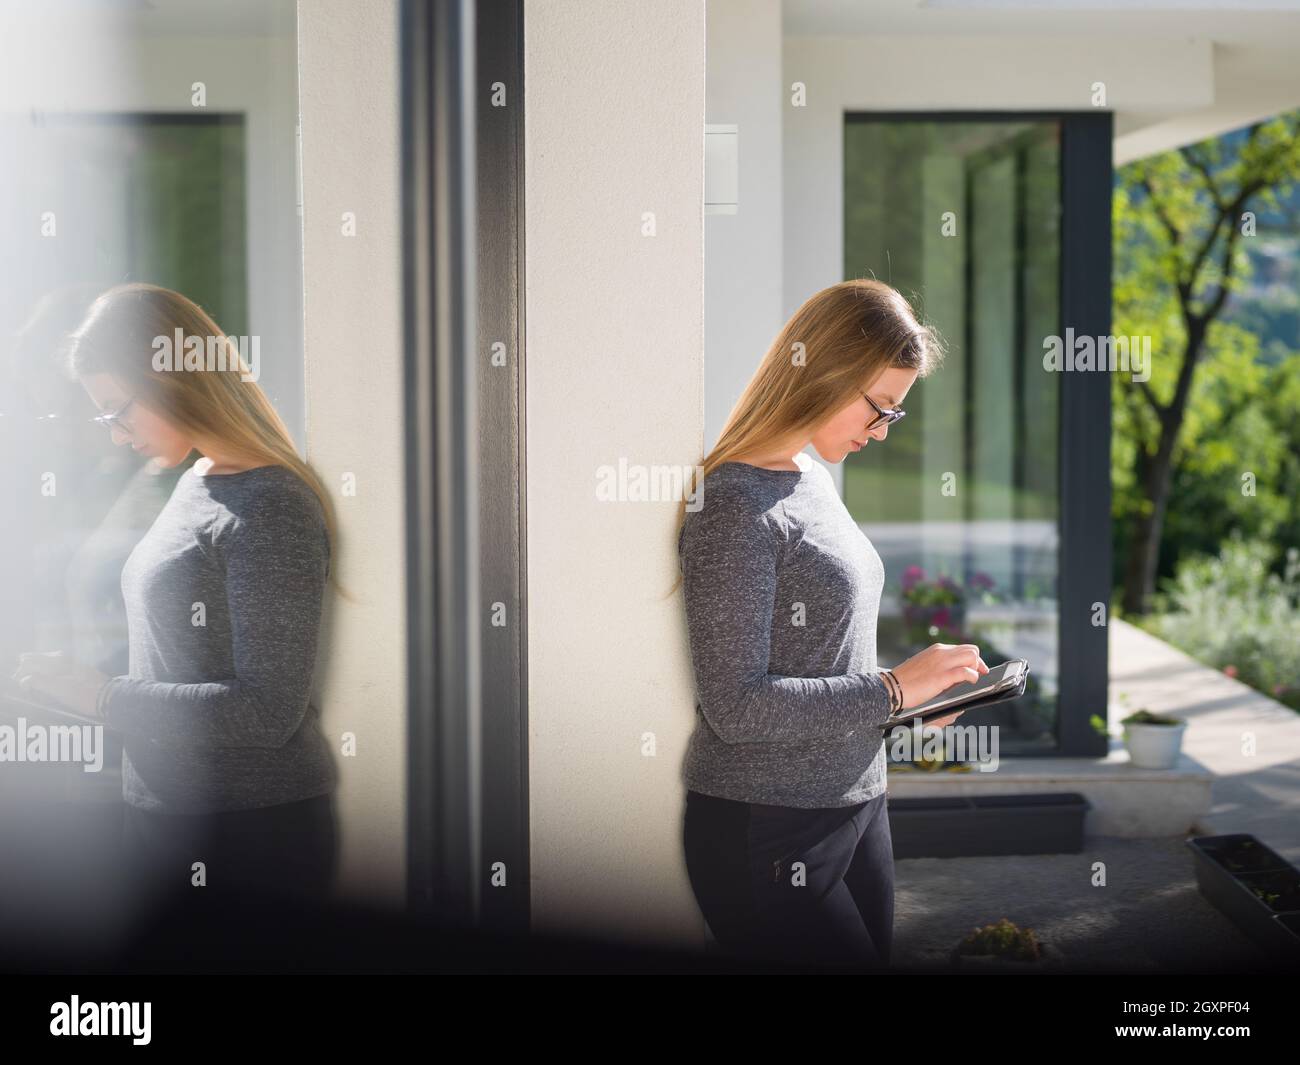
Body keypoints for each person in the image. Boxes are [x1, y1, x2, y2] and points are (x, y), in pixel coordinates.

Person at [671, 278, 988, 970]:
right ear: (824, 368)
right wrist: (893, 691)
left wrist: (907, 707)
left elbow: (825, 660)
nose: (880, 431)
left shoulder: (809, 477)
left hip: (858, 804)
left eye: (894, 417)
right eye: (880, 408)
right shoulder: (732, 503)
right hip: (766, 829)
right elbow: (735, 705)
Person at [12, 282, 344, 913]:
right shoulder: (196, 479)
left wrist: (104, 697)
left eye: (118, 410)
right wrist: (73, 690)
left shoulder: (271, 505)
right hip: (169, 822)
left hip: (250, 840)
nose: (115, 435)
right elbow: (177, 663)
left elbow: (268, 713)